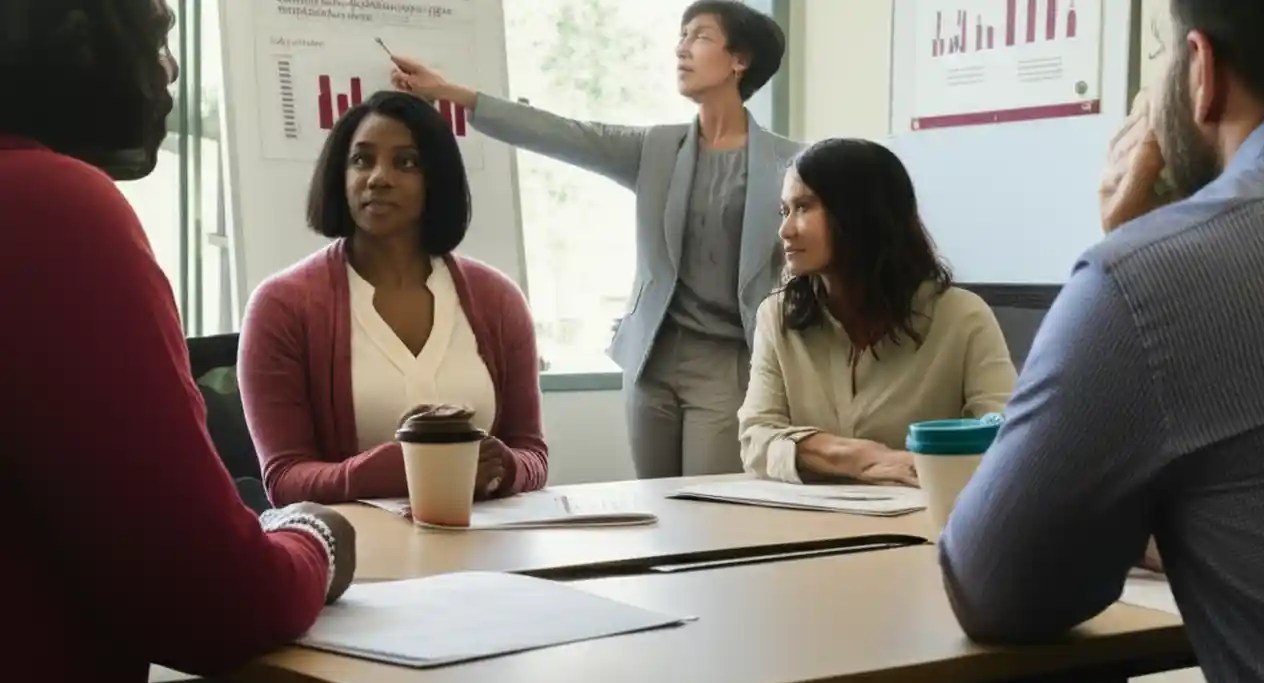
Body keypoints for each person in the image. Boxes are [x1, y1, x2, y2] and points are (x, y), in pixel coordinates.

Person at [0, 1, 355, 683]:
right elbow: (215, 604)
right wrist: (318, 536)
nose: (167, 70)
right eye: (151, 38)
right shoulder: (49, 208)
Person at [939, 0, 1264, 683]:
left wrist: (1138, 247)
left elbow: (998, 585)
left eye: (1157, 55)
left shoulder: (1151, 280)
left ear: (1201, 72)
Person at [390, 0, 804, 479]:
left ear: (740, 60)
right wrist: (449, 92)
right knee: (656, 505)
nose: (681, 48)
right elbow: (564, 134)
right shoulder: (655, 149)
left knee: (710, 508)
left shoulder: (789, 164)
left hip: (730, 363)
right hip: (650, 358)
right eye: (681, 35)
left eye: (700, 36)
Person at [239, 91, 547, 506]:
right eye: (361, 160)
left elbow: (533, 454)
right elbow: (284, 478)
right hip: (356, 556)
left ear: (436, 178)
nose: (378, 177)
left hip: (489, 546)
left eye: (406, 162)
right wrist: (405, 469)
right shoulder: (281, 306)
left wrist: (505, 466)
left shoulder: (498, 299)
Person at [740, 139, 1016, 485]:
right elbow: (756, 438)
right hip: (806, 525)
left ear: (858, 213)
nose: (786, 230)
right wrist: (865, 459)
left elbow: (1009, 441)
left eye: (804, 207)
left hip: (924, 527)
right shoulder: (777, 317)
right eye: (785, 210)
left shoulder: (963, 317)